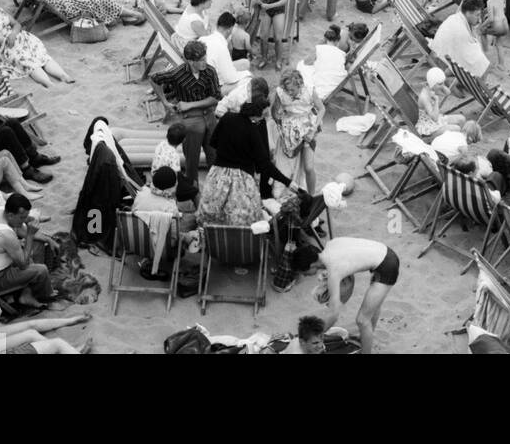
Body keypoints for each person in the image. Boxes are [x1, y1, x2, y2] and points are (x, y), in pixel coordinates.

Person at [197, 92, 294, 227]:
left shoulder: (227, 118)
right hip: (241, 179)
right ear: (257, 113)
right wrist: (287, 182)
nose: (264, 118)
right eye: (263, 114)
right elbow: (265, 165)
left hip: (217, 175)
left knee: (212, 212)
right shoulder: (253, 131)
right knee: (243, 217)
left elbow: (213, 142)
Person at [298, 237, 400, 355]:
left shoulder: (334, 270)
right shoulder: (331, 245)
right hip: (385, 252)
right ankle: (367, 338)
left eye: (303, 272)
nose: (305, 276)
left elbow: (334, 314)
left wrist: (316, 337)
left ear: (311, 265)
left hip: (387, 266)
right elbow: (350, 274)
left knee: (362, 320)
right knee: (372, 308)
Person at [0, 194, 53, 310]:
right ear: (10, 215)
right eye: (22, 218)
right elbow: (23, 265)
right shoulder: (5, 235)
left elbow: (20, 229)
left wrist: (48, 239)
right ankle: (44, 296)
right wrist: (30, 235)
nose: (25, 221)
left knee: (38, 243)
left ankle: (27, 292)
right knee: (42, 270)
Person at [158, 41, 222, 177]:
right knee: (192, 160)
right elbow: (154, 79)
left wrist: (190, 104)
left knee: (214, 155)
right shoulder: (178, 73)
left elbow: (216, 97)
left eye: (205, 57)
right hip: (190, 120)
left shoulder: (210, 72)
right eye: (201, 60)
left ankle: (215, 185)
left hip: (209, 117)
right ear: (191, 61)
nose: (205, 62)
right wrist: (164, 102)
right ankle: (193, 189)